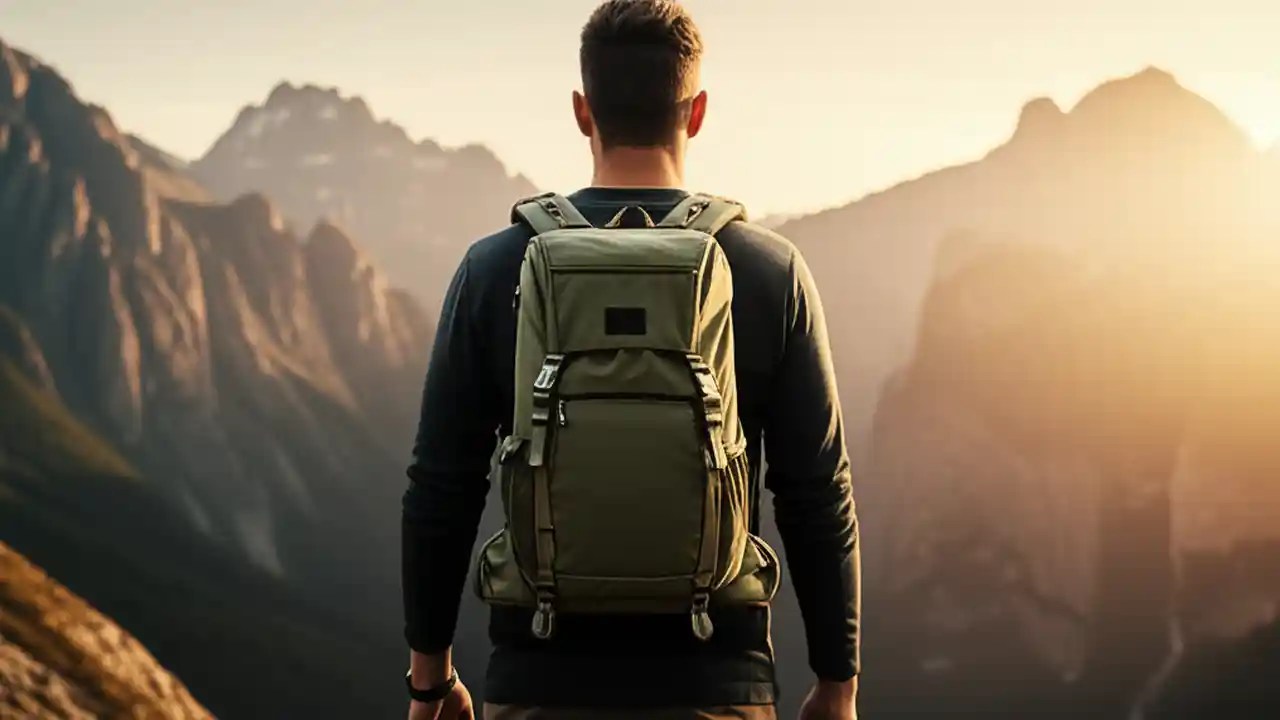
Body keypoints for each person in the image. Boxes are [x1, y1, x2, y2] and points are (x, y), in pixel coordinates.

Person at [401, 1, 860, 719]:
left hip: (538, 679)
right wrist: (838, 683)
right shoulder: (769, 272)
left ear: (584, 112)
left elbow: (441, 485)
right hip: (717, 680)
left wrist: (430, 679)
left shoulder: (495, 269)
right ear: (698, 111)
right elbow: (815, 494)